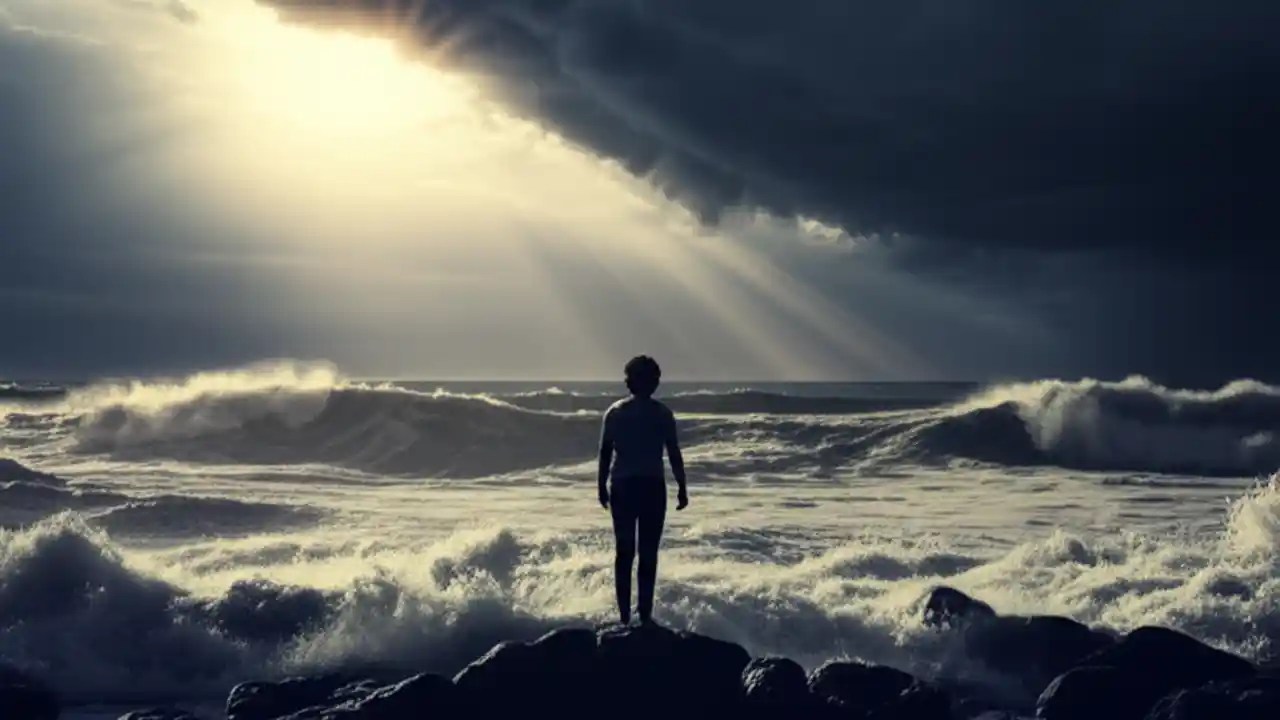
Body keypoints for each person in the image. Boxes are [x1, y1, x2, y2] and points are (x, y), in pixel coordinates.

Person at [597, 355, 688, 626]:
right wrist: (682, 486)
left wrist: (601, 485)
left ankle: (627, 618)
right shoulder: (661, 413)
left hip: (625, 486)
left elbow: (605, 453)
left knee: (625, 553)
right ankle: (642, 617)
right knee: (646, 553)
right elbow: (673, 453)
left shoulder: (615, 412)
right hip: (649, 487)